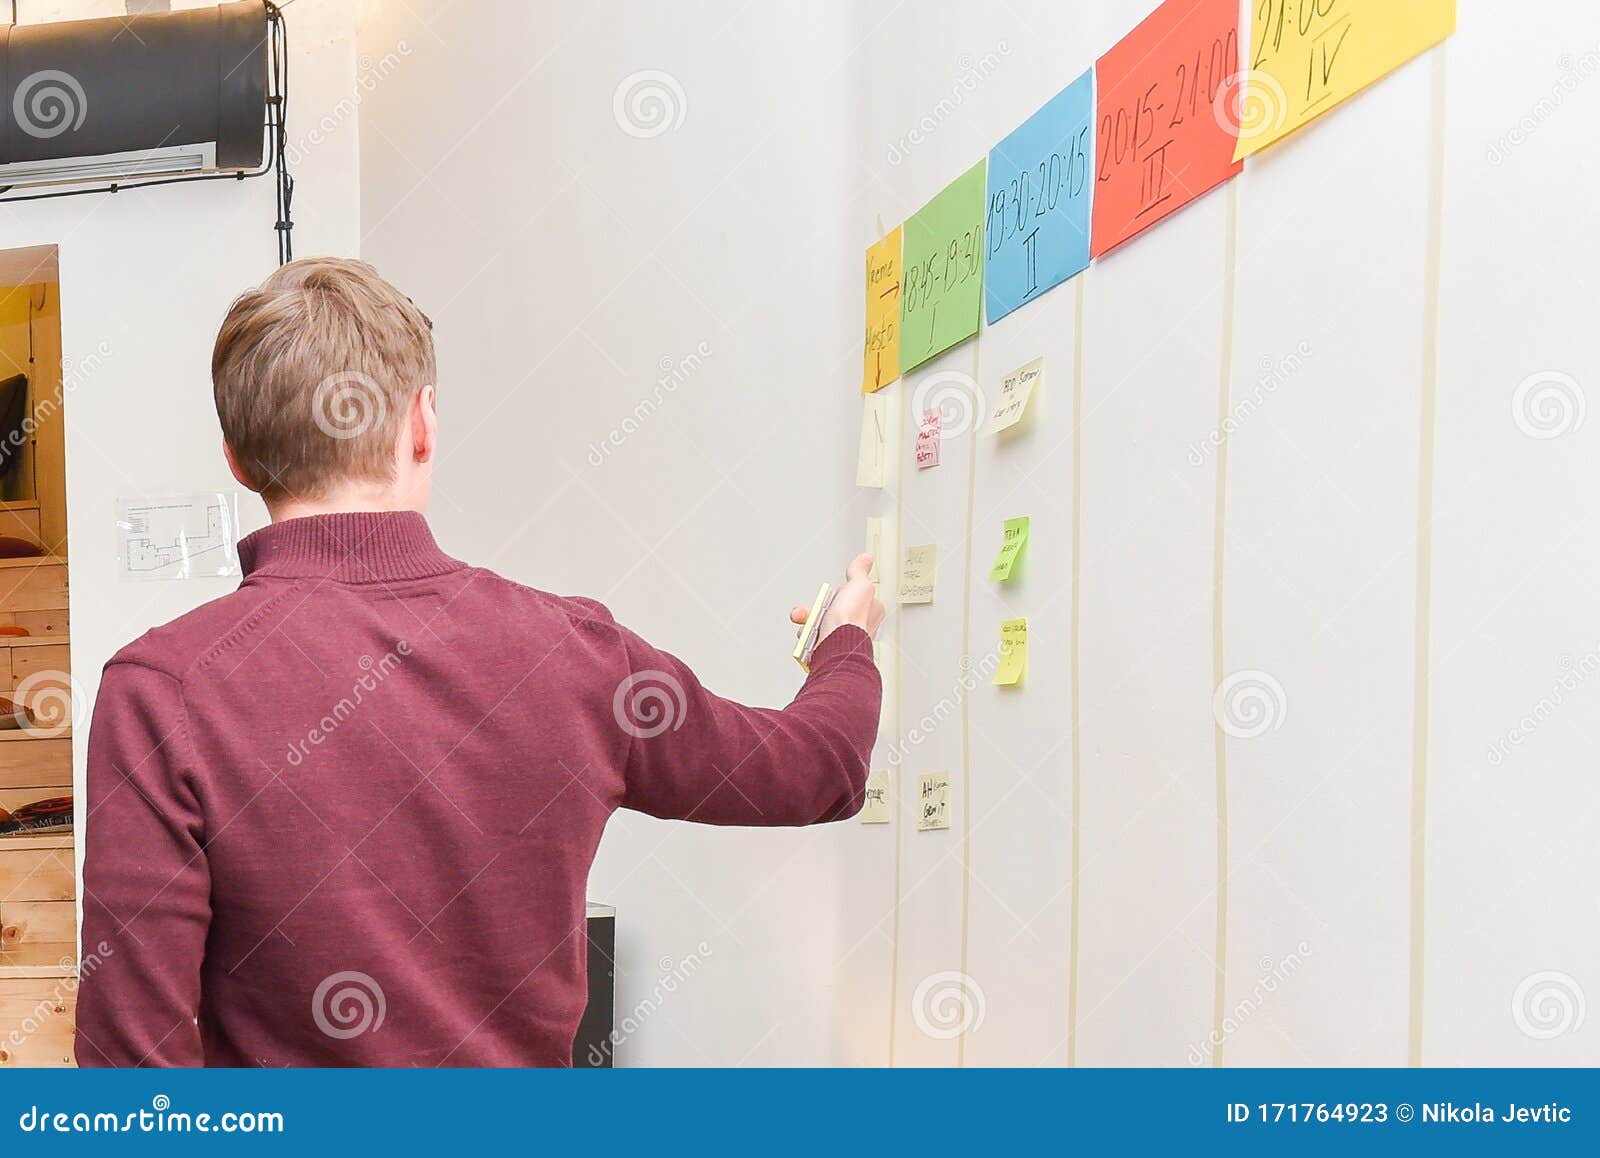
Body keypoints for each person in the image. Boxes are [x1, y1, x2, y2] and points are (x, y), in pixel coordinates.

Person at [75, 257, 884, 1067]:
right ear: (423, 423)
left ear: (238, 459)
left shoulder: (160, 691)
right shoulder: (575, 652)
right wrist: (845, 641)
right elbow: (820, 769)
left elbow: (128, 1064)